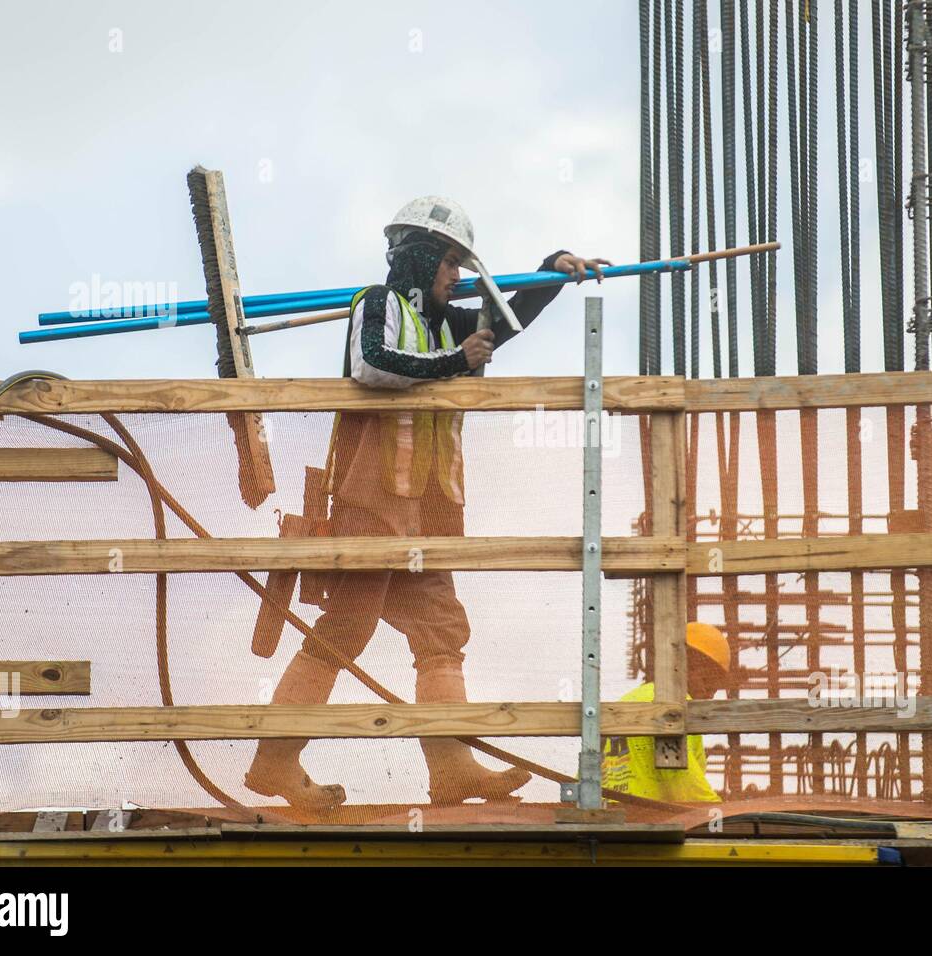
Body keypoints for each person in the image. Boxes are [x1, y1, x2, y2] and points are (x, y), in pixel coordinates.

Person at [245, 196, 611, 810]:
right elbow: (371, 364)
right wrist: (452, 363)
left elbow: (508, 316)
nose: (458, 276)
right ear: (418, 259)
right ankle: (274, 761)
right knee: (347, 628)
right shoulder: (379, 304)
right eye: (449, 262)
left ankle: (452, 768)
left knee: (441, 631)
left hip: (428, 509)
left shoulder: (448, 322)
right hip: (369, 501)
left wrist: (553, 269)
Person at [601, 622, 731, 803]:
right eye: (706, 682)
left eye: (714, 690)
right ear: (683, 666)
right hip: (648, 823)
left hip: (602, 823)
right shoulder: (675, 709)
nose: (709, 694)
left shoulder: (626, 701)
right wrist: (727, 818)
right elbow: (687, 789)